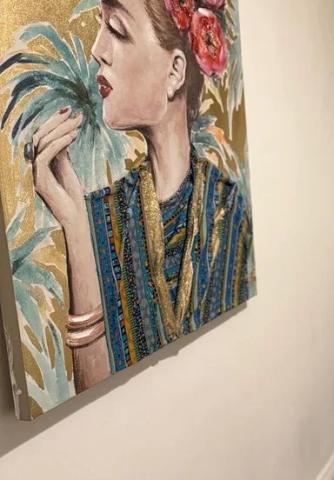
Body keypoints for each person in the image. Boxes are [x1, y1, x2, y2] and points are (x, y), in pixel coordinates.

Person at [30, 0, 252, 393]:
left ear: (175, 72)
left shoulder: (229, 208)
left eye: (116, 29)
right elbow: (93, 393)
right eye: (101, 25)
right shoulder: (99, 215)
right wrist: (77, 229)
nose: (97, 49)